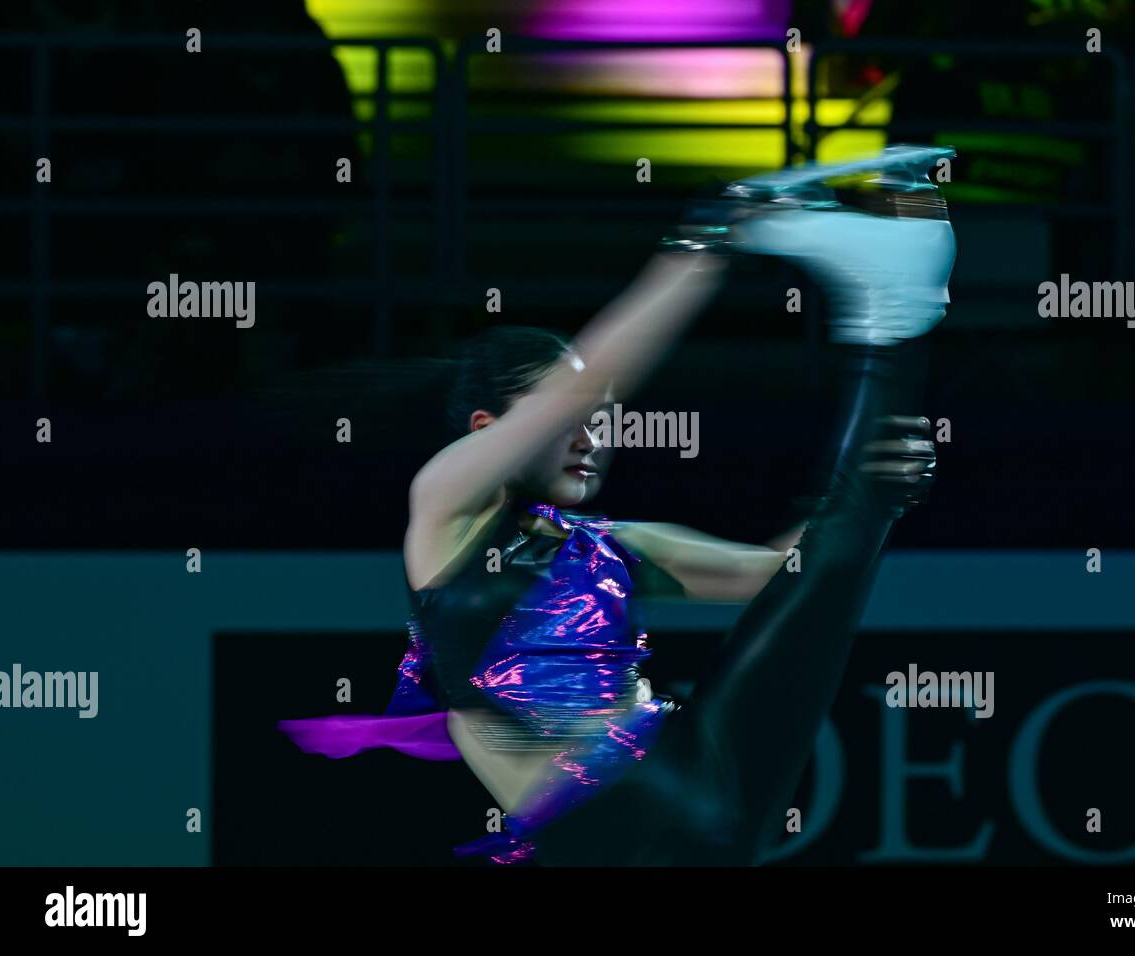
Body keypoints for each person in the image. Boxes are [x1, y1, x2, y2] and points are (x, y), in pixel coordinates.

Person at [281, 150, 953, 864]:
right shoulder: (445, 505)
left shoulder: (614, 546)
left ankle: (894, 302)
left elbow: (785, 576)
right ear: (490, 431)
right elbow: (600, 371)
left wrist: (879, 498)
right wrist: (700, 247)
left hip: (697, 779)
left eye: (603, 421)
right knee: (849, 526)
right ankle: (895, 298)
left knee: (845, 534)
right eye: (569, 418)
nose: (593, 436)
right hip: (616, 826)